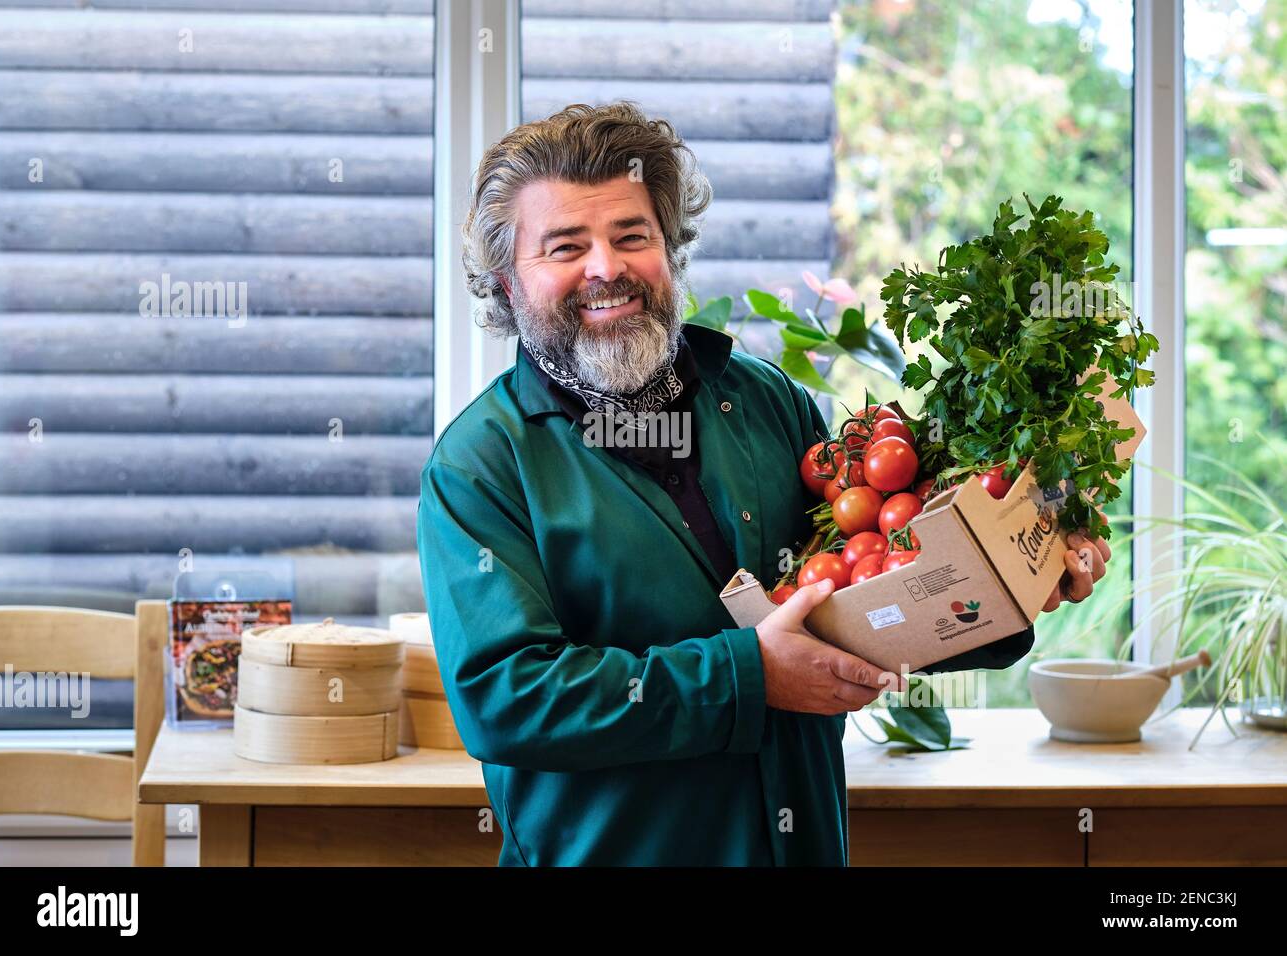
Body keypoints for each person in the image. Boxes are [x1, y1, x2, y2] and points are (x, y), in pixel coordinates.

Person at [416, 101, 1110, 866]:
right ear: (508, 286)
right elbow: (507, 698)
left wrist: (1012, 575)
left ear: (670, 253)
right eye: (565, 246)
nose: (606, 268)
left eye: (632, 236)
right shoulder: (481, 464)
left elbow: (872, 597)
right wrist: (747, 676)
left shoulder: (764, 401)